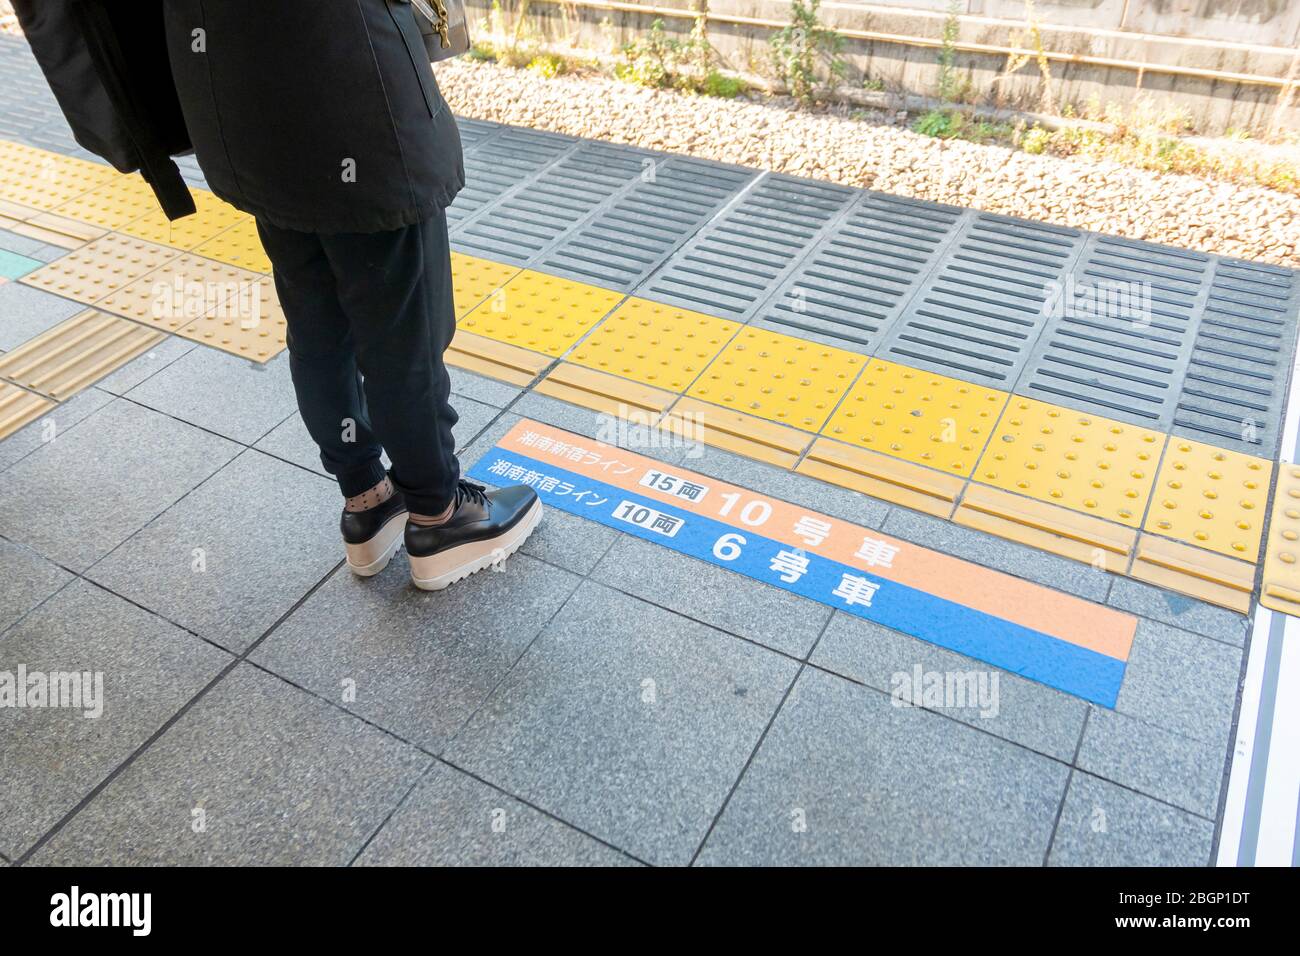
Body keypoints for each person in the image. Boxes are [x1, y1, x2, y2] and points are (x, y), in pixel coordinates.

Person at [17, 0, 541, 590]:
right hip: (350, 90)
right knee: (402, 328)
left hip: (236, 98)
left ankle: (367, 499)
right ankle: (438, 515)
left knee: (317, 320)